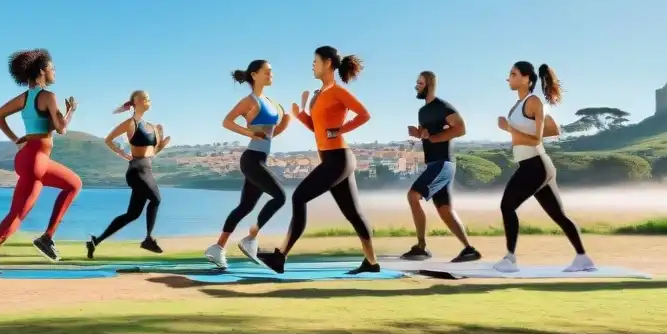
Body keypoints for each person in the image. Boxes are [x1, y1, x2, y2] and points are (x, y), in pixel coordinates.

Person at [257, 46, 380, 276]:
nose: (312, 65)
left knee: (299, 197)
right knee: (353, 213)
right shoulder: (320, 94)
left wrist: (340, 129)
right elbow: (318, 129)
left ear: (328, 64)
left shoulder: (337, 91)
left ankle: (280, 256)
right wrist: (300, 113)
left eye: (315, 61)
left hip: (339, 159)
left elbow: (364, 114)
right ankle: (372, 262)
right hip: (334, 159)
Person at [0, 49, 83, 276]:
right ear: (42, 71)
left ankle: (42, 239)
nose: (54, 72)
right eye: (52, 68)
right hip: (37, 160)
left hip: (29, 157)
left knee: (72, 185)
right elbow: (61, 129)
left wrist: (16, 139)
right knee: (21, 212)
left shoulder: (25, 98)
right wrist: (71, 111)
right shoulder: (49, 96)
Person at [495, 61, 595, 273]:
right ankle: (583, 258)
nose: (508, 78)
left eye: (513, 74)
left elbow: (535, 140)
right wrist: (517, 130)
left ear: (526, 79)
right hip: (537, 166)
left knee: (507, 206)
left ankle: (510, 259)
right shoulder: (519, 105)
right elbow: (554, 129)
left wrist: (509, 129)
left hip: (535, 166)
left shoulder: (533, 103)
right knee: (559, 216)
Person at [204, 59, 291, 269]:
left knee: (245, 207)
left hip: (261, 158)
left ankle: (217, 248)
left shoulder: (272, 102)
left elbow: (270, 135)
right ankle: (250, 239)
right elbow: (227, 121)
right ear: (254, 75)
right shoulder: (250, 101)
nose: (271, 75)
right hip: (251, 159)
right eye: (267, 71)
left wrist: (285, 123)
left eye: (272, 71)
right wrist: (249, 132)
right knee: (280, 197)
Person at [400, 71, 481, 263]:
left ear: (429, 84)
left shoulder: (442, 106)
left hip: (443, 163)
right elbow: (427, 134)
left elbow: (460, 128)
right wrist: (419, 133)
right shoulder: (423, 111)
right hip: (435, 163)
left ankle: (421, 247)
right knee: (445, 209)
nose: (416, 86)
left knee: (413, 196)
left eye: (420, 83)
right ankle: (469, 250)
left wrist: (432, 138)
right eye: (416, 83)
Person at [86, 90, 171, 257]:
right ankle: (148, 239)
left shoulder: (153, 127)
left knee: (132, 214)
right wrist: (124, 155)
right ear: (135, 102)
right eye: (144, 98)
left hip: (146, 168)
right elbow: (108, 139)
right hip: (137, 170)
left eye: (149, 98)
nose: (148, 100)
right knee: (156, 199)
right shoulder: (130, 123)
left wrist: (163, 144)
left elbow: (152, 152)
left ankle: (95, 241)